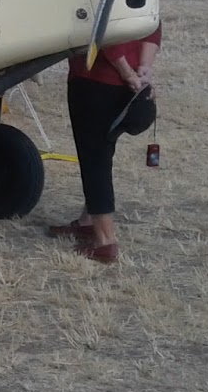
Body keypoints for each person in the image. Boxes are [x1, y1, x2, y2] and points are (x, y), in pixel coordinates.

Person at [48, 25, 161, 264]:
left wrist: (128, 73)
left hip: (95, 81)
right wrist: (143, 70)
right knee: (102, 153)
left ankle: (104, 241)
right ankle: (88, 221)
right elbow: (152, 26)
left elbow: (104, 30)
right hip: (129, 85)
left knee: (94, 159)